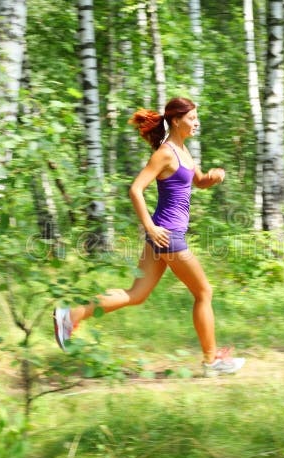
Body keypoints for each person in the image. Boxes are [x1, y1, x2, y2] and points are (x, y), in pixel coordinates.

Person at [53, 97, 245, 377]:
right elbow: (135, 189)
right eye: (192, 118)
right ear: (177, 120)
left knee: (136, 294)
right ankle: (211, 360)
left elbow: (196, 180)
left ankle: (71, 314)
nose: (197, 122)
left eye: (197, 117)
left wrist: (211, 178)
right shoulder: (165, 153)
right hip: (168, 235)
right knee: (204, 292)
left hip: (165, 235)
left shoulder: (183, 151)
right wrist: (149, 228)